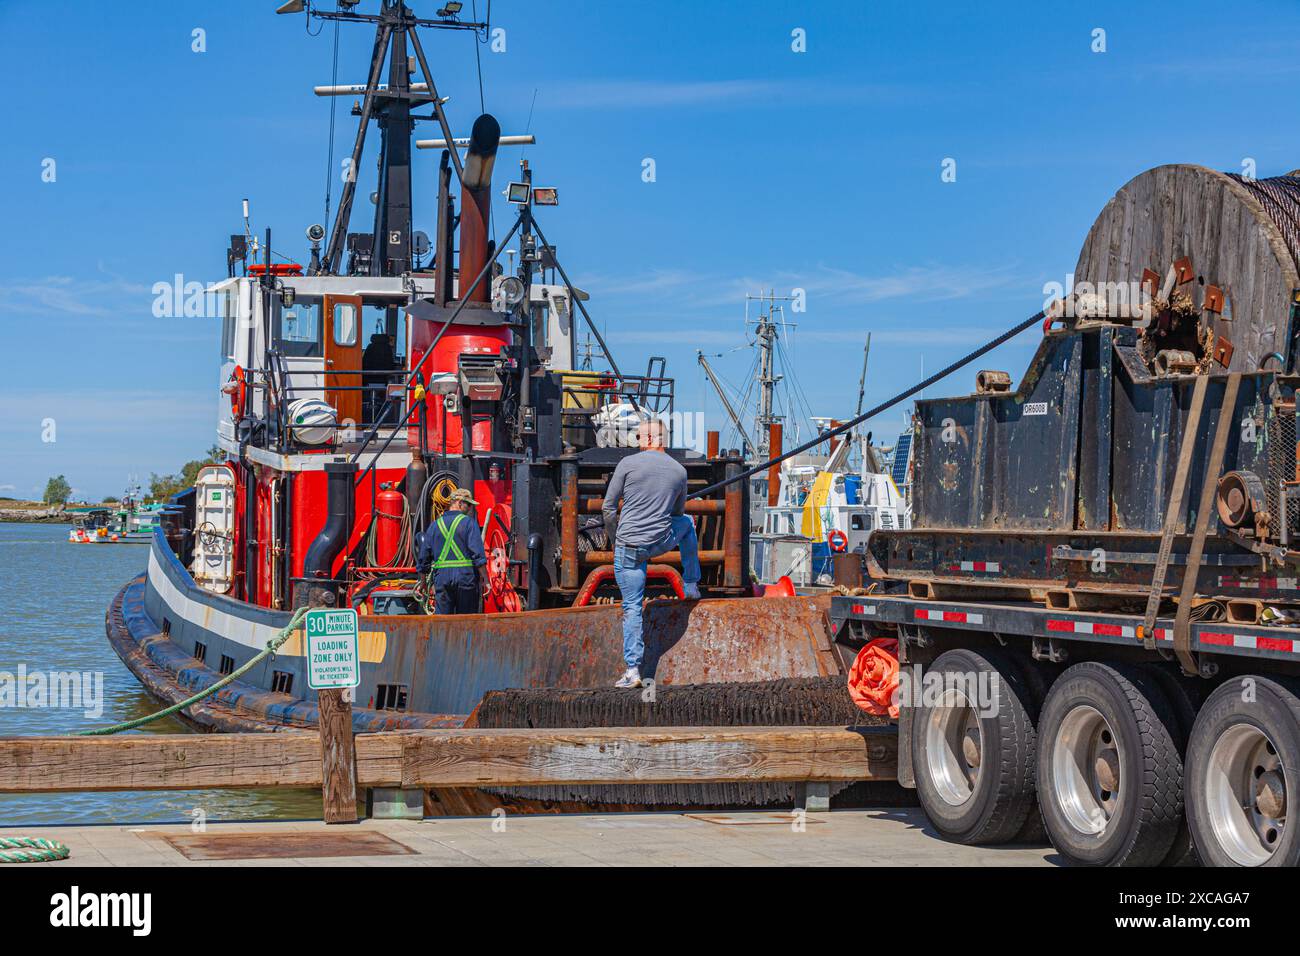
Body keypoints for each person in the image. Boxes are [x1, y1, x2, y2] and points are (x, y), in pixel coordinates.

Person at [602, 418, 701, 688]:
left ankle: (633, 670)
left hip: (629, 548)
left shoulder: (627, 464)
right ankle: (691, 583)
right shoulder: (680, 471)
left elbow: (608, 508)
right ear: (663, 440)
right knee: (688, 525)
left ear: (646, 440)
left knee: (632, 607)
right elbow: (678, 515)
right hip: (659, 542)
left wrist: (614, 539)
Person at [417, 488, 487, 615]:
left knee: (443, 621)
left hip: (442, 579)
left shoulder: (434, 525)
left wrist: (423, 583)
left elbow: (424, 558)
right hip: (466, 578)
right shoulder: (469, 524)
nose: (470, 508)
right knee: (467, 620)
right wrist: (486, 580)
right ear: (459, 503)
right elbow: (478, 555)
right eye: (469, 504)